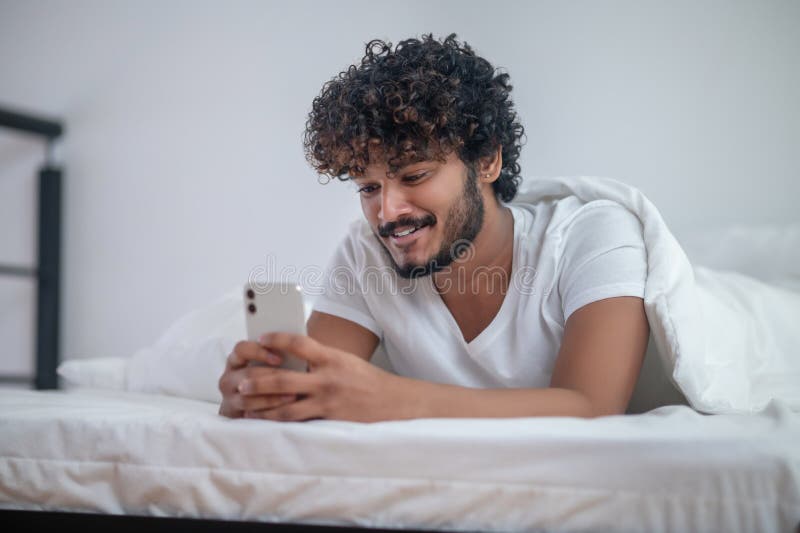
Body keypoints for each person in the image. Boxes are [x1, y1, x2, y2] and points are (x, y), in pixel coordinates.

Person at [218, 34, 650, 422]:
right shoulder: (366, 251)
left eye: (413, 176)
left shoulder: (593, 234)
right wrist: (262, 395)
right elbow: (319, 393)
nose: (386, 213)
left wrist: (396, 399)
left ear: (487, 162)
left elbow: (593, 406)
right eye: (369, 187)